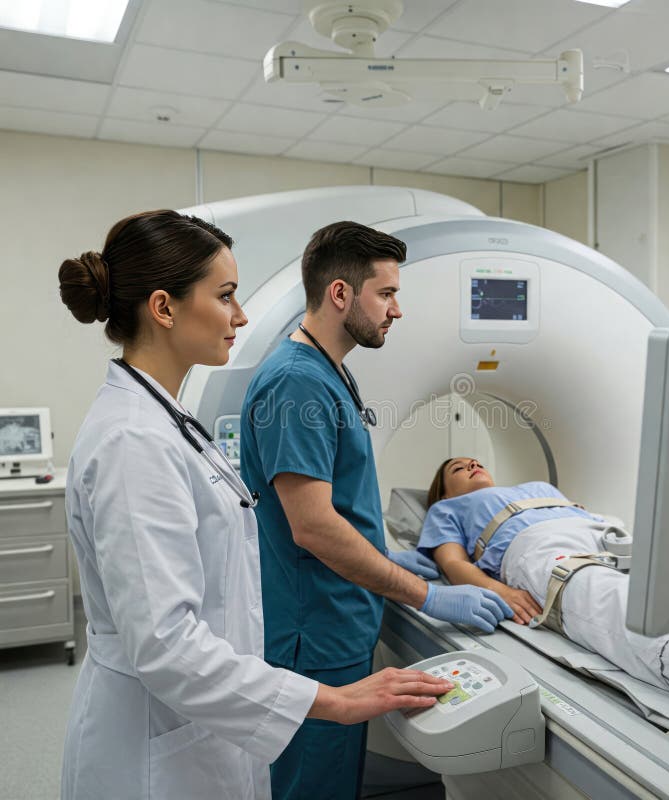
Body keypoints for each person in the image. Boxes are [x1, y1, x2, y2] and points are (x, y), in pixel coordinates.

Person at [56, 210, 456, 800]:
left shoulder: (168, 419)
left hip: (206, 718)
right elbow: (165, 644)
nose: (241, 315)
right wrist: (334, 701)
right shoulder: (132, 441)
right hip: (153, 745)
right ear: (164, 308)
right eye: (225, 296)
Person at [240, 221, 513, 800]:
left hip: (339, 620)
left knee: (334, 782)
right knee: (314, 788)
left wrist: (388, 557)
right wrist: (427, 595)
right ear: (340, 294)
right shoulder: (297, 384)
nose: (397, 309)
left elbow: (338, 503)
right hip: (314, 633)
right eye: (386, 293)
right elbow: (313, 527)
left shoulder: (330, 371)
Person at [420, 456, 669, 721]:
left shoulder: (535, 487)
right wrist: (495, 589)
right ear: (444, 492)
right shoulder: (449, 510)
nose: (472, 464)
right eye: (458, 467)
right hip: (544, 549)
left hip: (609, 533)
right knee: (627, 613)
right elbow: (452, 564)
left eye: (476, 461)